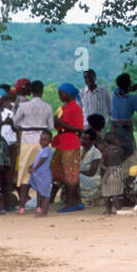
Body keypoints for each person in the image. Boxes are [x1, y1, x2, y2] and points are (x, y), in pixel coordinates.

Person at [13, 80, 55, 210]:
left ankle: (21, 206)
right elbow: (51, 126)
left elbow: (15, 122)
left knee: (26, 173)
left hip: (27, 141)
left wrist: (25, 127)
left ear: (31, 91)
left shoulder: (24, 106)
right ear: (42, 91)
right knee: (40, 173)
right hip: (41, 141)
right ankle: (39, 206)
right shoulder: (47, 107)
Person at [51, 83, 85, 212]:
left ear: (69, 94)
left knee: (70, 173)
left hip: (70, 142)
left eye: (61, 93)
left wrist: (61, 124)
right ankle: (76, 200)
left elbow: (79, 129)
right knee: (61, 172)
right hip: (62, 142)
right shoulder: (64, 107)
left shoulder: (75, 109)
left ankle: (71, 203)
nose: (59, 96)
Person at [26, 129, 54, 216]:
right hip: (40, 175)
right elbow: (38, 160)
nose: (43, 142)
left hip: (44, 176)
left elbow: (42, 160)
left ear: (50, 141)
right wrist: (31, 166)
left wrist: (34, 168)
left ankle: (44, 212)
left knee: (46, 195)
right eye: (41, 139)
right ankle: (41, 209)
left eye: (45, 140)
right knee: (42, 193)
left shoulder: (47, 150)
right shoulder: (42, 150)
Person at [100, 133, 127, 214]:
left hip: (107, 172)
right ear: (115, 141)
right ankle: (118, 210)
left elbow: (101, 163)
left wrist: (106, 169)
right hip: (116, 171)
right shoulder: (118, 150)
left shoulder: (105, 151)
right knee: (115, 193)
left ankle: (108, 210)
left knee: (107, 193)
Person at [79, 129, 104, 199]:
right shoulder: (79, 149)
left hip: (92, 179)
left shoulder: (96, 153)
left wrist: (76, 173)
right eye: (82, 138)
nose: (82, 141)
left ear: (93, 142)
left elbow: (92, 172)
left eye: (85, 139)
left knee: (73, 177)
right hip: (80, 176)